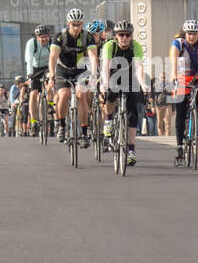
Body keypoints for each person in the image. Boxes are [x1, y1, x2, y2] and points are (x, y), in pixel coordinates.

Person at [99, 20, 149, 165]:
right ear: (116, 36)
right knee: (110, 94)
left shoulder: (136, 46)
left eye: (127, 35)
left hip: (130, 77)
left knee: (133, 112)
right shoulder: (110, 46)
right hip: (113, 75)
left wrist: (143, 85)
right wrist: (105, 84)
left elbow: (139, 68)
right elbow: (105, 67)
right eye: (121, 35)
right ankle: (108, 119)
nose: (124, 37)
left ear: (132, 36)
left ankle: (131, 150)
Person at [48, 9, 99, 147]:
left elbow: (93, 56)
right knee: (64, 94)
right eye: (73, 24)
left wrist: (94, 74)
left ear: (82, 24)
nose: (76, 28)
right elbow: (53, 57)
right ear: (68, 24)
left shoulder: (87, 37)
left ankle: (84, 132)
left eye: (79, 24)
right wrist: (52, 74)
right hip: (63, 68)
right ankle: (62, 126)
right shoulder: (60, 37)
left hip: (81, 69)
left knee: (81, 94)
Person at [170, 19, 198, 162]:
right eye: (189, 34)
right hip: (182, 76)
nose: (191, 36)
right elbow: (173, 62)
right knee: (180, 112)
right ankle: (180, 145)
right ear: (185, 34)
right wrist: (174, 77)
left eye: (194, 34)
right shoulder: (178, 44)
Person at [25, 25, 52, 135]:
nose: (43, 39)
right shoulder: (31, 43)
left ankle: (50, 105)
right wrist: (29, 75)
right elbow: (29, 59)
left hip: (47, 67)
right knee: (33, 94)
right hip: (34, 68)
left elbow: (56, 57)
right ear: (37, 37)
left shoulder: (52, 43)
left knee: (50, 82)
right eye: (41, 37)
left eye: (45, 37)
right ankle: (33, 122)